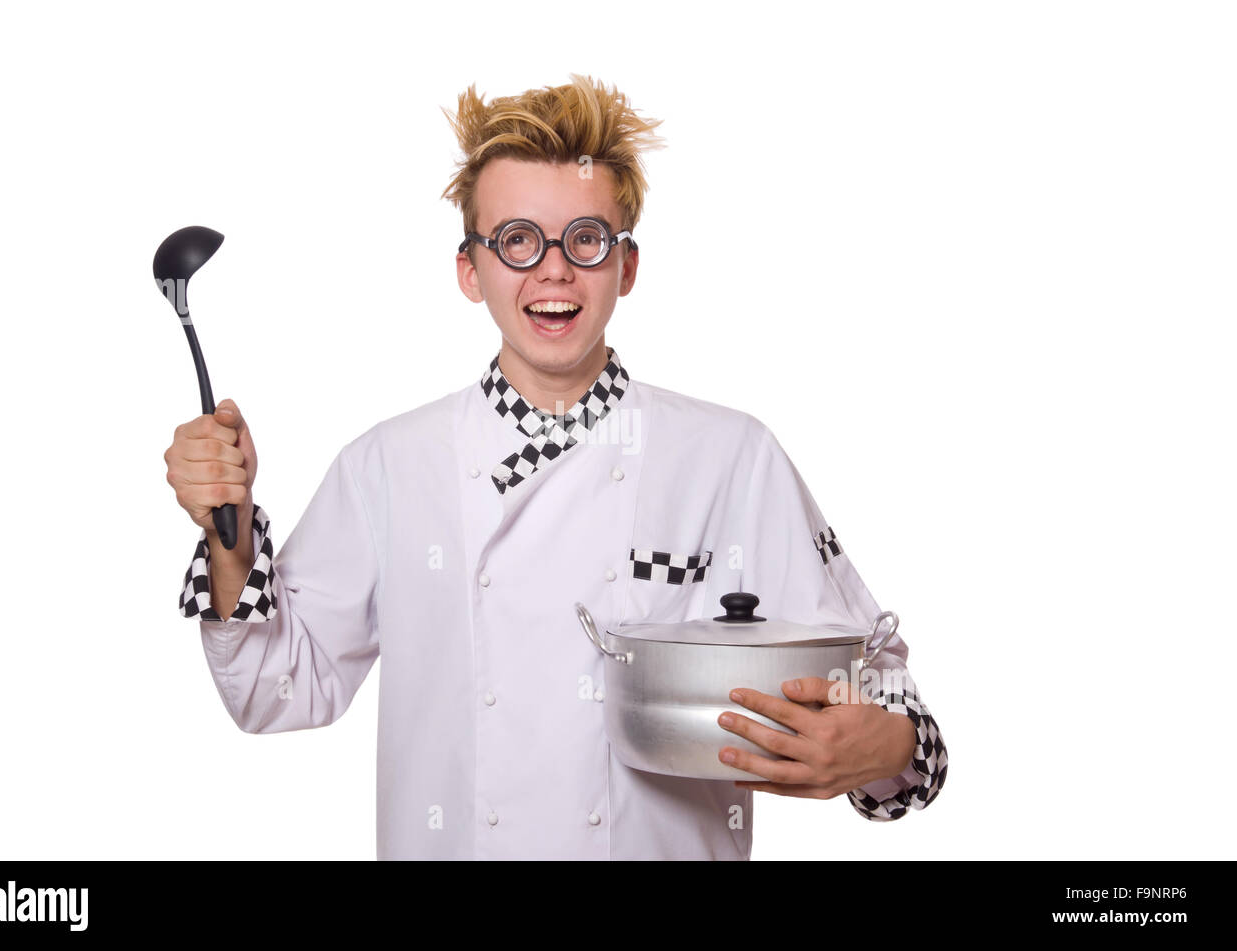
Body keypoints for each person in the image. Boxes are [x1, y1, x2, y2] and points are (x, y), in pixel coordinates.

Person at [164, 74, 947, 860]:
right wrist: (229, 536)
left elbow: (883, 690)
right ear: (471, 271)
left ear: (625, 266)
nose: (553, 270)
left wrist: (880, 746)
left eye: (585, 239)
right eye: (515, 240)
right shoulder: (388, 467)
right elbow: (274, 688)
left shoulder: (730, 458)